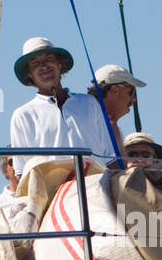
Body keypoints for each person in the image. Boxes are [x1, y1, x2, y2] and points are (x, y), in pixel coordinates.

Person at [9, 36, 116, 179]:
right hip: (53, 197)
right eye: (35, 63)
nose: (44, 66)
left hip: (96, 190)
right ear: (29, 74)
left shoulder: (89, 103)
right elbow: (23, 173)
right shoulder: (23, 115)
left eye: (49, 59)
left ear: (59, 64)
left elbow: (110, 158)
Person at [88, 64, 146, 155]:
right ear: (115, 90)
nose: (134, 99)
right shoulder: (91, 122)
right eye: (132, 92)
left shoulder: (106, 123)